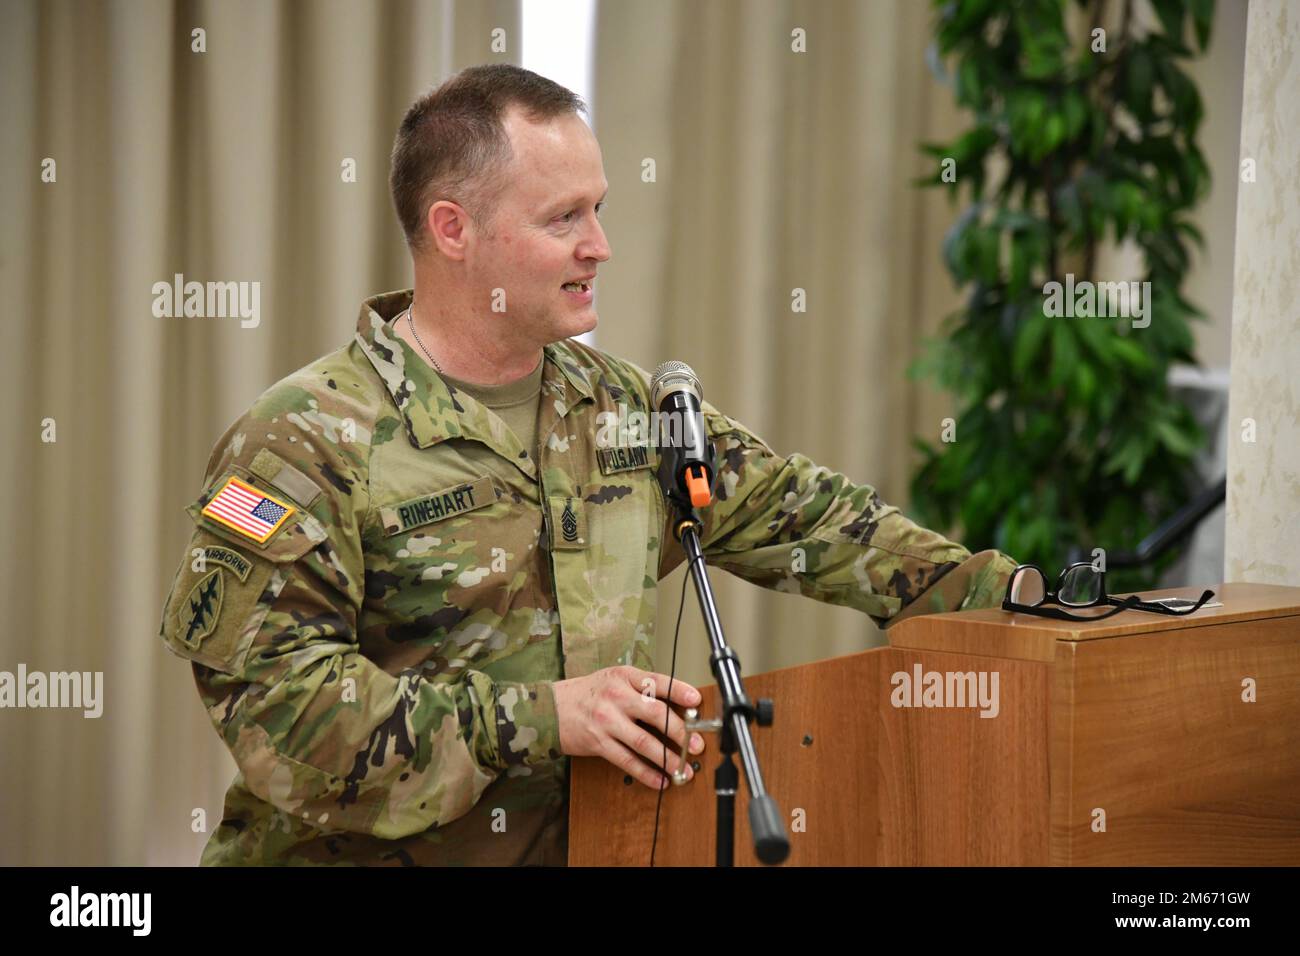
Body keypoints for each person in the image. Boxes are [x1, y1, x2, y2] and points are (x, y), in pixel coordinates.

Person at [159, 64, 1016, 866]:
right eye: (563, 218)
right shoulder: (303, 438)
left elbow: (812, 520)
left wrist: (1013, 599)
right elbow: (283, 714)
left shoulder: (626, 412)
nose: (599, 245)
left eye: (598, 210)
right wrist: (545, 719)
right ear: (453, 229)